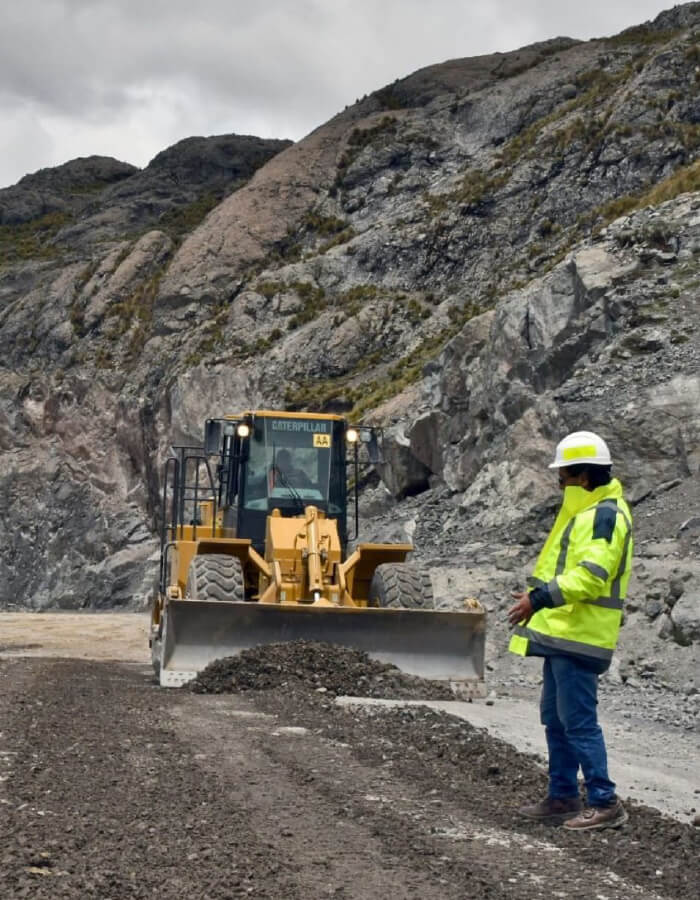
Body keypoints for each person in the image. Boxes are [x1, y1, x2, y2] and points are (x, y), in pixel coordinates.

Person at [507, 430, 633, 831]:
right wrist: (538, 599)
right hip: (563, 634)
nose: (559, 484)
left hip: (582, 636)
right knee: (556, 719)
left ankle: (604, 802)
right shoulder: (585, 512)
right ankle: (562, 795)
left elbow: (592, 576)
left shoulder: (605, 515)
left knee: (578, 721)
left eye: (563, 477)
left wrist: (539, 599)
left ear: (583, 476)